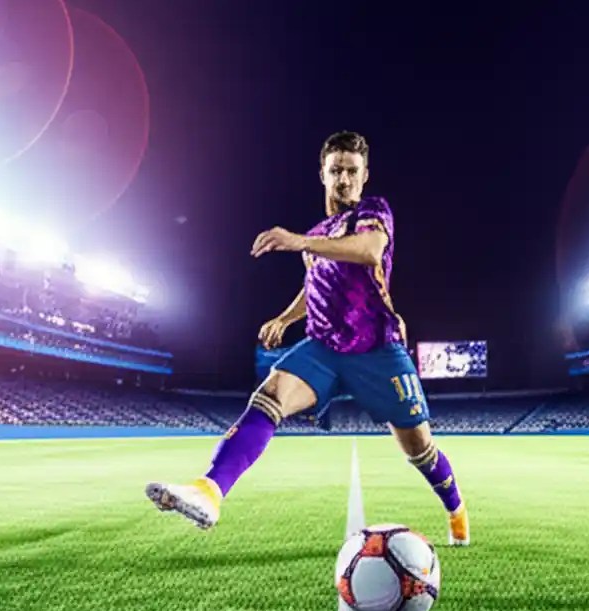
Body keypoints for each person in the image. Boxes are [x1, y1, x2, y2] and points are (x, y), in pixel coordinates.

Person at [145, 130, 470, 546]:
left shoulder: (373, 212)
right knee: (270, 396)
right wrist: (285, 317)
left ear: (365, 174)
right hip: (323, 347)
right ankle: (209, 491)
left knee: (418, 449)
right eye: (336, 170)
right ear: (322, 174)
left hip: (376, 347)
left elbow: (369, 250)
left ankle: (456, 510)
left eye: (352, 171)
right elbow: (315, 283)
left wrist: (301, 241)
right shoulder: (319, 233)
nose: (344, 179)